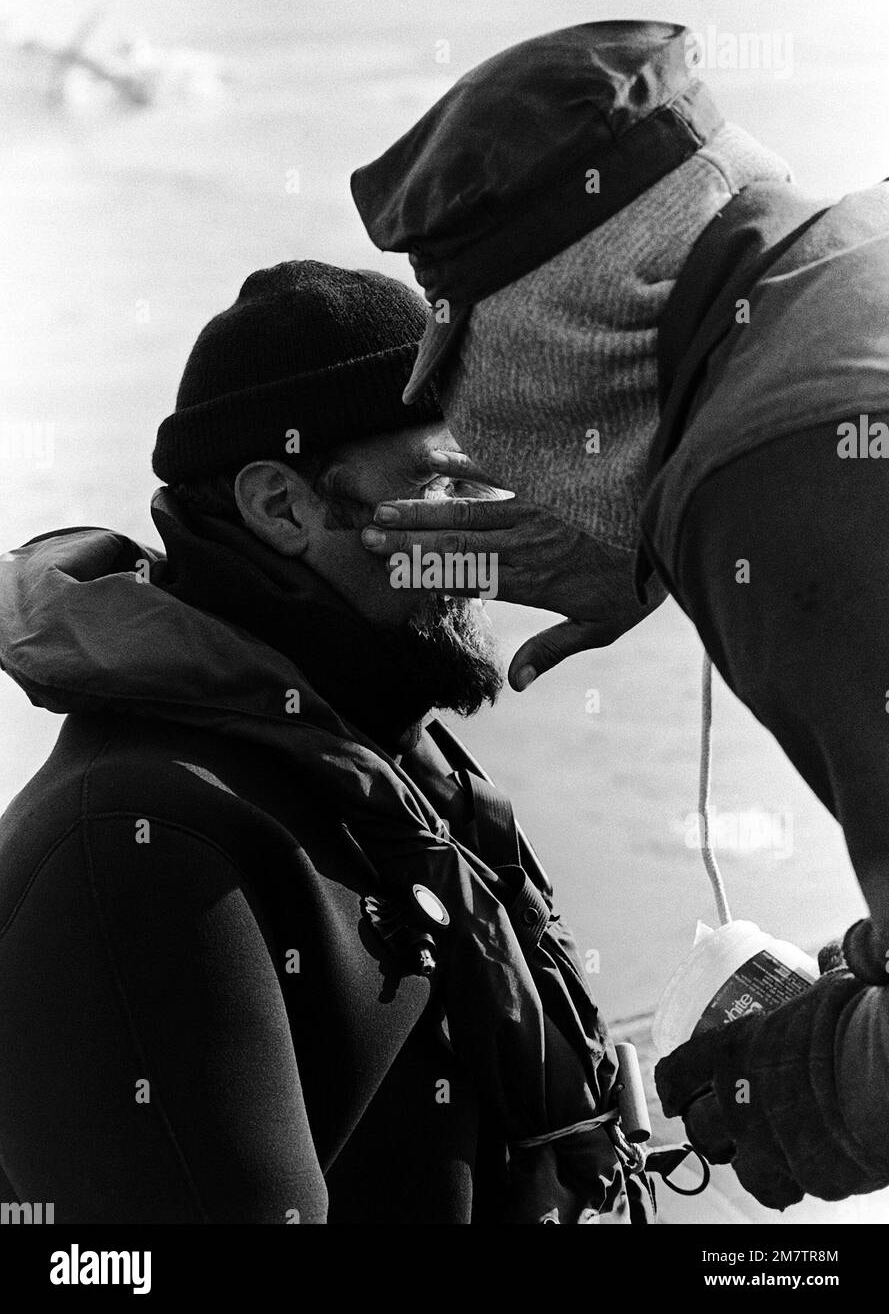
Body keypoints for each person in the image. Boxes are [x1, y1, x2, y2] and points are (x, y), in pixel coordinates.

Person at [351, 19, 889, 1210]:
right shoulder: (854, 258)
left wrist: (807, 1086)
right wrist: (659, 525)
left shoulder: (766, 470)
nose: (458, 413)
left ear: (561, 313)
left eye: (459, 331)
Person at [0, 260, 648, 1224]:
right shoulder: (138, 851)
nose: (489, 535)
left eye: (497, 481)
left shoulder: (376, 768)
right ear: (281, 505)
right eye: (443, 482)